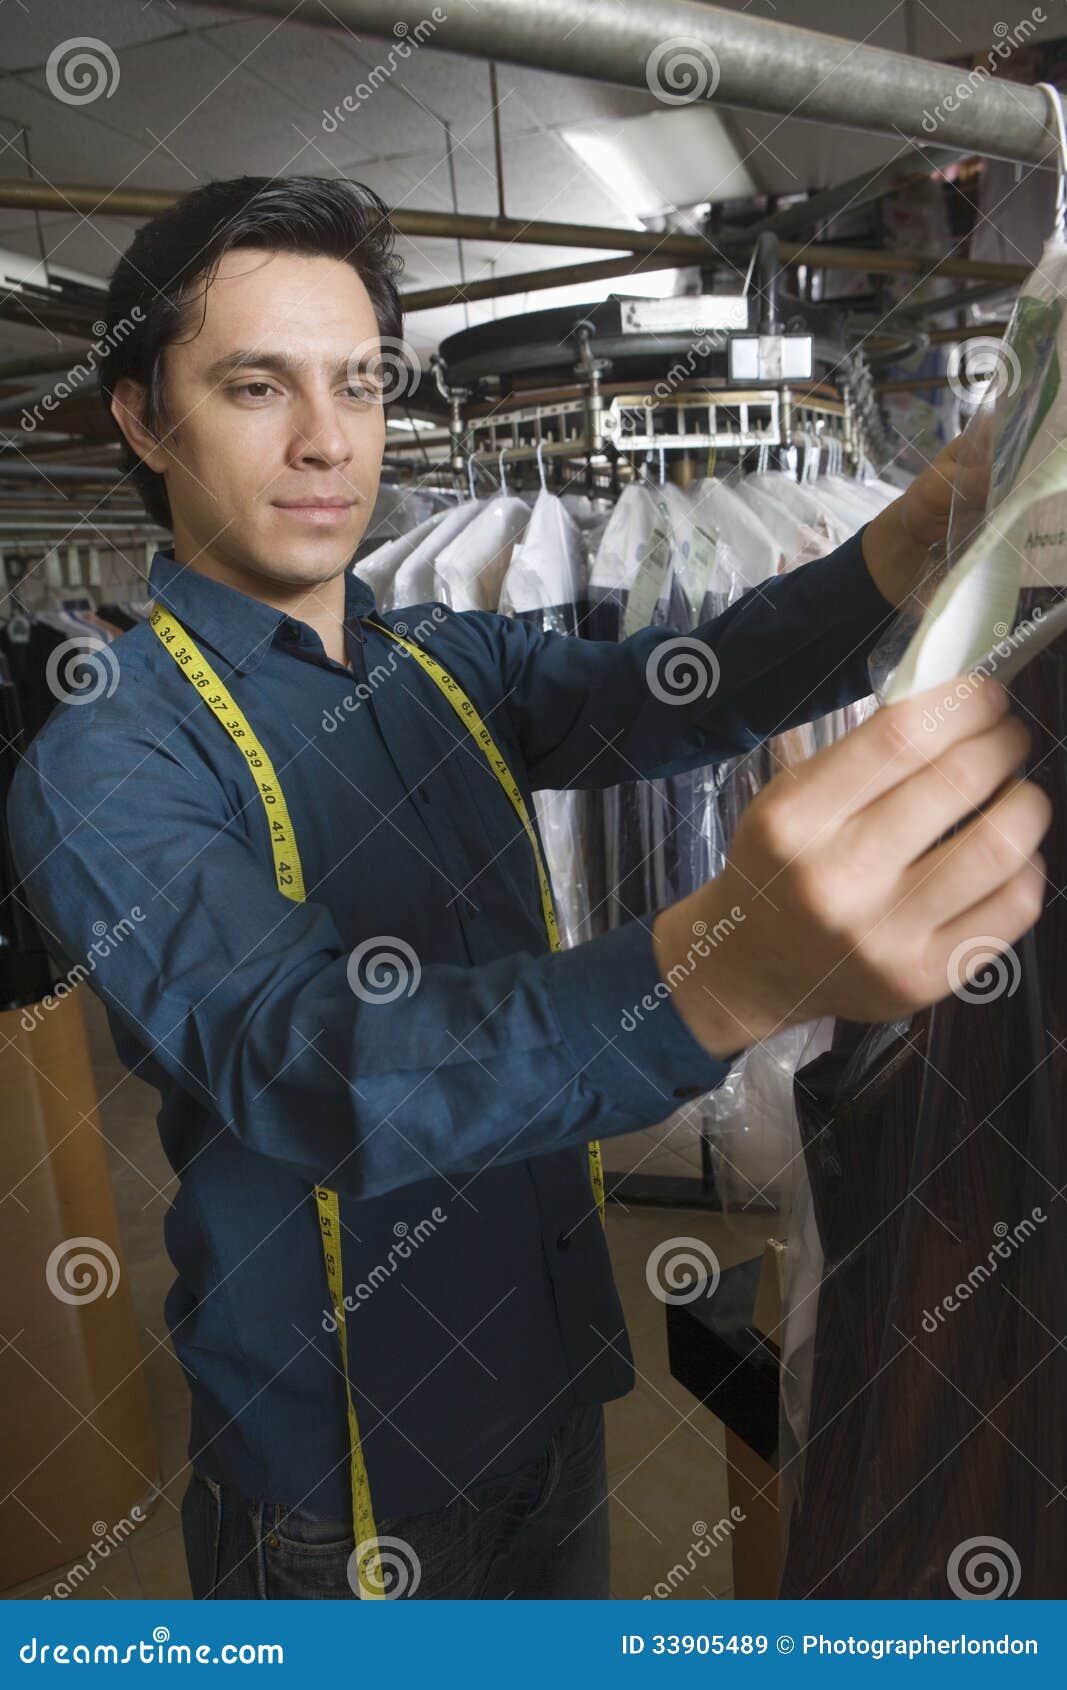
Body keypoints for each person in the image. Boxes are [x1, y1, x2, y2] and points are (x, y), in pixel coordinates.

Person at [6, 176, 1048, 1601]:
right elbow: (306, 1061)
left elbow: (695, 690)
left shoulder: (446, 658)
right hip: (344, 1469)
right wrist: (716, 977)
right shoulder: (111, 752)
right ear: (141, 415)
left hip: (549, 1377)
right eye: (256, 386)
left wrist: (920, 529)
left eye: (360, 385)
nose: (328, 442)